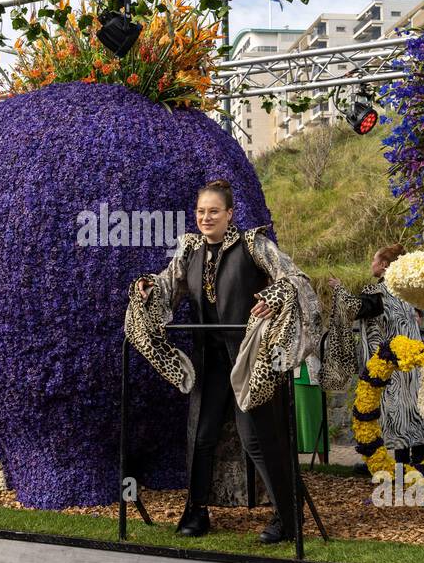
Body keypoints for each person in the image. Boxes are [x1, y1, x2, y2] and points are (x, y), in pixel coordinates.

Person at [132, 180, 322, 544]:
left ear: (229, 214)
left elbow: (295, 278)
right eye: (201, 211)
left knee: (256, 438)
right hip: (210, 360)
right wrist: (149, 289)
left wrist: (276, 296)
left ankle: (287, 517)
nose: (206, 217)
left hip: (250, 360)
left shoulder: (254, 245)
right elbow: (168, 286)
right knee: (201, 436)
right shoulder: (189, 250)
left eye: (213, 211)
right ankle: (197, 511)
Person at [358, 244, 424, 465]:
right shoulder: (408, 290)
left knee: (401, 415)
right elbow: (419, 309)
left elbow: (357, 308)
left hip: (394, 366)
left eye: (374, 260)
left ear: (384, 265)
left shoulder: (379, 292)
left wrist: (340, 291)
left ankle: (405, 467)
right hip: (413, 364)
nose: (371, 264)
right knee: (414, 413)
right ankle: (421, 464)